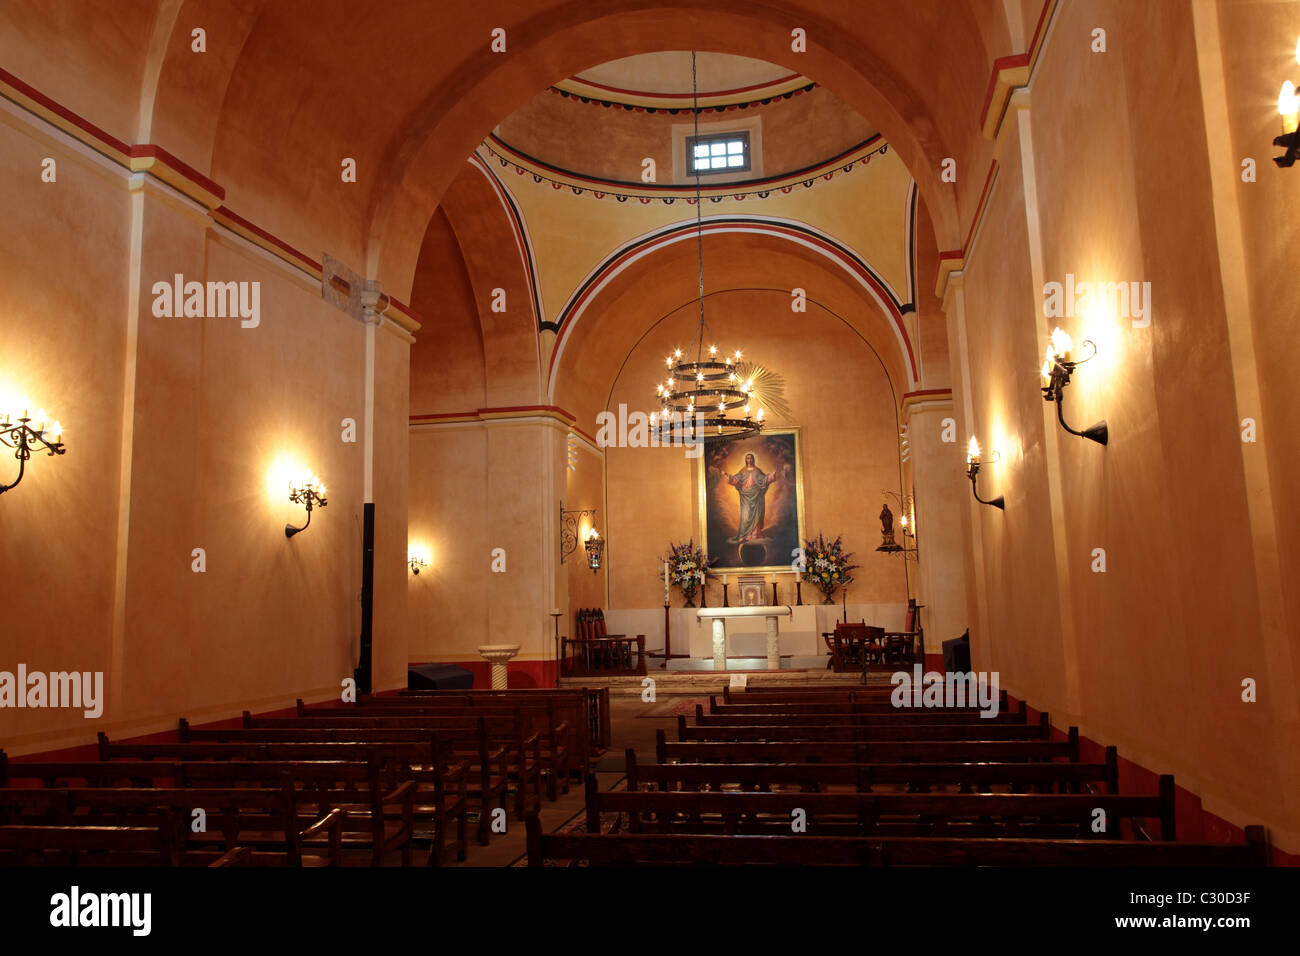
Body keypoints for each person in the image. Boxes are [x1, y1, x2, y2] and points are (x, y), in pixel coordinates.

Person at [727, 453, 778, 543]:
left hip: (756, 496)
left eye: (751, 458)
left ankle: (755, 534)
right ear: (746, 460)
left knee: (756, 516)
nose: (749, 460)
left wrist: (771, 476)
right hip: (745, 497)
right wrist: (730, 478)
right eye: (747, 458)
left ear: (753, 459)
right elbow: (736, 479)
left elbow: (764, 479)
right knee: (745, 516)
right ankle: (744, 535)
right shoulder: (742, 471)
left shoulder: (757, 471)